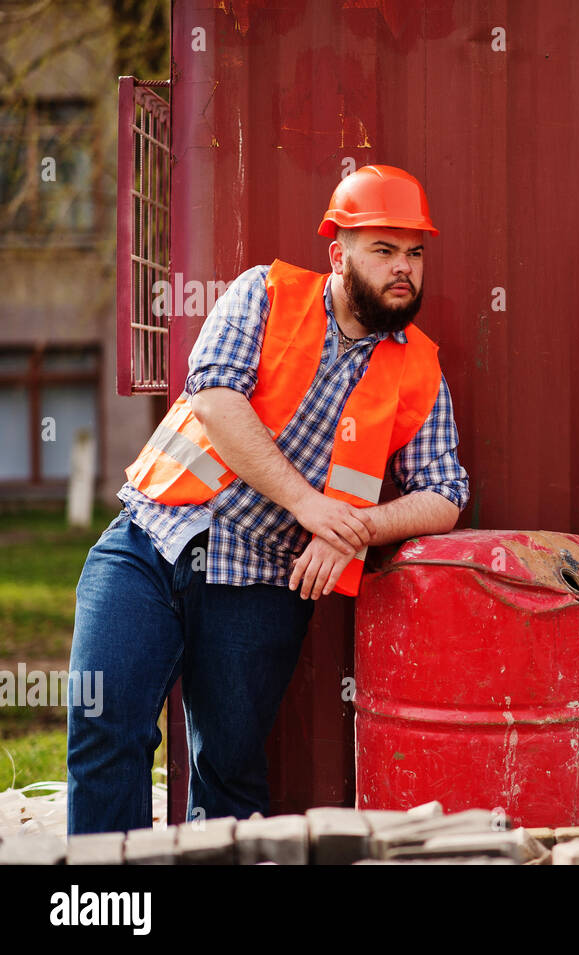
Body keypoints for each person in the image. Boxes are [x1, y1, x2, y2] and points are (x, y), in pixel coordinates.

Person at [66, 164, 468, 835]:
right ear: (339, 255)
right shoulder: (265, 293)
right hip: (154, 536)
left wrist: (356, 528)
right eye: (385, 250)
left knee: (230, 771)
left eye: (415, 253)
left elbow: (445, 493)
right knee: (104, 728)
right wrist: (311, 506)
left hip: (261, 579)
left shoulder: (419, 368)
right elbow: (216, 398)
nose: (405, 268)